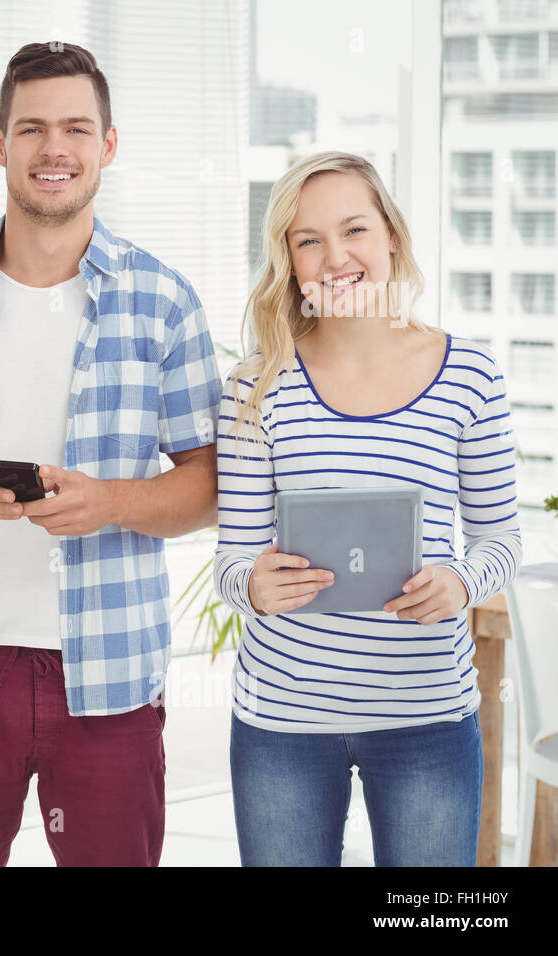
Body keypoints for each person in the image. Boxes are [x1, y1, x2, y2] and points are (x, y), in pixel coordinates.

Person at [0, 42, 222, 866]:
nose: (53, 149)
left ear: (108, 144)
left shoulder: (163, 300)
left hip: (111, 668)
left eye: (74, 128)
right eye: (31, 128)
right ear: (0, 144)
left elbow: (208, 484)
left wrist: (111, 503)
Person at [213, 150, 523, 866]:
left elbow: (500, 537)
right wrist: (253, 584)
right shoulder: (255, 386)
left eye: (353, 230)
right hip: (283, 723)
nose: (335, 258)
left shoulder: (469, 377)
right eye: (307, 240)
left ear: (390, 235)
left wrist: (464, 583)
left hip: (427, 718)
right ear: (287, 260)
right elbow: (233, 557)